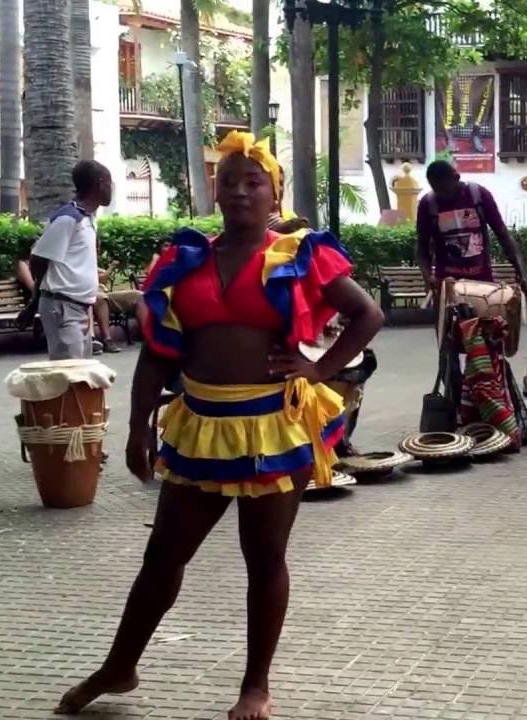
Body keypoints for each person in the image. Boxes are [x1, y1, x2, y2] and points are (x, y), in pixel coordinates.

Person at [55, 131, 384, 719]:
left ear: (274, 193)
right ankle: (120, 665)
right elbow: (157, 351)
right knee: (163, 555)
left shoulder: (300, 254)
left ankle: (255, 686)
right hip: (200, 425)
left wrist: (318, 368)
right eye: (227, 181)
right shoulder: (185, 259)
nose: (238, 191)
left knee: (264, 559)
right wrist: (135, 428)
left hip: (271, 428)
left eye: (252, 181)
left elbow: (368, 314)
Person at [18, 160, 114, 360]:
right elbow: (38, 259)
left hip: (80, 307)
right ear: (99, 183)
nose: (111, 189)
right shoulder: (68, 218)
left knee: (81, 375)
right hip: (62, 308)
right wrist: (35, 302)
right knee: (68, 374)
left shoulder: (87, 219)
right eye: (109, 183)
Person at [416, 160, 527, 298]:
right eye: (437, 191)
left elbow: (503, 236)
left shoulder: (479, 195)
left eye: (446, 190)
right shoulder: (427, 204)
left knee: (487, 319)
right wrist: (428, 277)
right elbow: (422, 248)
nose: (443, 196)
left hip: (482, 283)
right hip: (447, 286)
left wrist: (521, 272)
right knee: (448, 319)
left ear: (456, 177)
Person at [268, 168, 311, 235]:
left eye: (281, 183)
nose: (277, 188)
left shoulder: (290, 216)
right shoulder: (251, 219)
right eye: (274, 182)